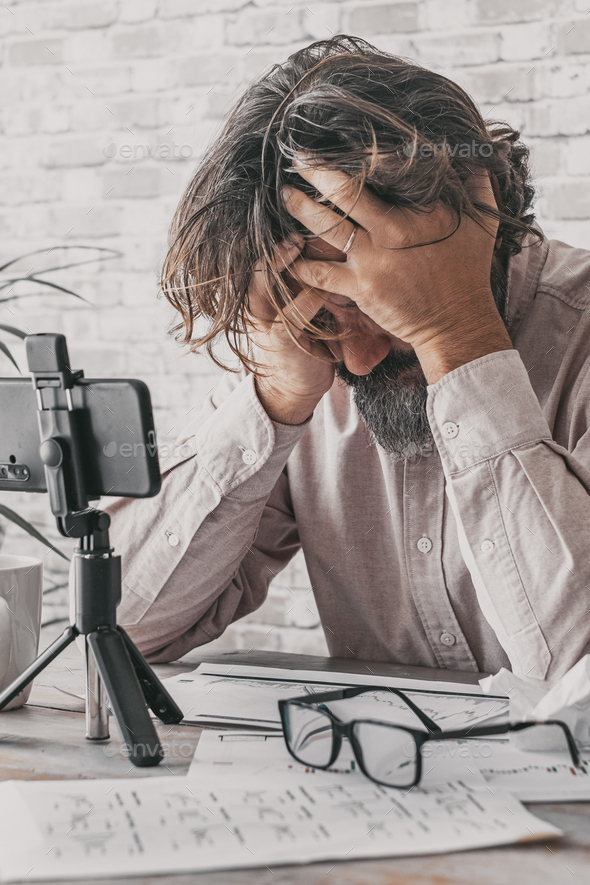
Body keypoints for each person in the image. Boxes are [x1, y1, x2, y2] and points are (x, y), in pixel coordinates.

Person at [110, 36, 590, 684]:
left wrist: (457, 336)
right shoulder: (306, 357)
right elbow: (121, 627)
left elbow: (579, 675)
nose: (358, 363)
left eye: (376, 305)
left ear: (481, 226)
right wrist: (278, 396)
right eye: (326, 317)